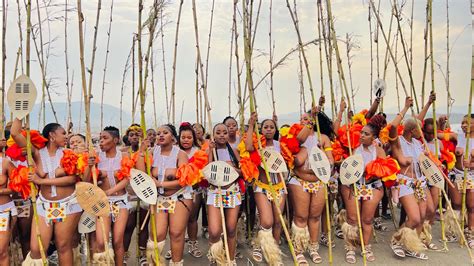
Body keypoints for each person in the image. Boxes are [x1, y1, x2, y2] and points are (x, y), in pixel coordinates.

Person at [11, 119, 82, 265]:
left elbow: (72, 180)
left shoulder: (68, 154)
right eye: (63, 133)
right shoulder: (36, 153)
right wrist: (20, 113)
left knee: (63, 245)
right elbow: (15, 133)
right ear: (52, 135)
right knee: (36, 249)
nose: (66, 137)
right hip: (45, 205)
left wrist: (42, 181)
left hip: (68, 204)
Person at [388, 97, 432, 260]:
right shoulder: (397, 142)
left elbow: (416, 121)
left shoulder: (416, 144)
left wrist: (428, 104)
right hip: (405, 183)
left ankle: (411, 246)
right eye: (418, 130)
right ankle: (397, 241)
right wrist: (406, 107)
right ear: (411, 130)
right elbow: (393, 126)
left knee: (421, 217)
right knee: (413, 217)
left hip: (419, 183)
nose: (421, 133)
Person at [290, 107, 335, 264]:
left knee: (315, 216)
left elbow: (331, 160)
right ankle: (298, 249)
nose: (303, 120)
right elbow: (297, 147)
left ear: (314, 121)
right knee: (301, 216)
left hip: (319, 181)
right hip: (299, 181)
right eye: (302, 118)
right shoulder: (295, 137)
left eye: (307, 118)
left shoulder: (322, 138)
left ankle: (313, 247)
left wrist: (325, 162)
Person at [340, 114, 387, 263]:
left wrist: (370, 173)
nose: (362, 136)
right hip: (352, 186)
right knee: (352, 219)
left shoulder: (378, 150)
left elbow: (384, 170)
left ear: (373, 137)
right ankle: (351, 247)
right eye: (361, 132)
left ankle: (366, 247)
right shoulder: (352, 146)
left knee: (367, 219)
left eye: (366, 134)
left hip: (372, 187)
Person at [86, 126, 135, 265]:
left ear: (116, 140)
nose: (101, 141)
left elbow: (126, 179)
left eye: (105, 138)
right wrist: (89, 167)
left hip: (120, 201)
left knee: (118, 241)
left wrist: (109, 192)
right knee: (101, 242)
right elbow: (86, 181)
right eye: (100, 138)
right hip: (102, 203)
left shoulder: (124, 156)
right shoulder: (96, 157)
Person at [147, 124, 191, 266]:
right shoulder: (152, 152)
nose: (160, 135)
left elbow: (183, 181)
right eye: (158, 133)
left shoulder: (181, 154)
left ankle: (176, 263)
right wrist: (142, 153)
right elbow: (143, 175)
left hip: (179, 196)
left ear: (172, 137)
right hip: (158, 198)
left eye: (165, 133)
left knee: (176, 234)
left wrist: (160, 184)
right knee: (156, 234)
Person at [245, 113, 285, 265]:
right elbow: (248, 147)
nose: (268, 130)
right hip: (261, 187)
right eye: (265, 127)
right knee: (266, 221)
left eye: (271, 127)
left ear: (275, 129)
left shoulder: (281, 146)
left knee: (277, 221)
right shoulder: (258, 145)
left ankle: (273, 253)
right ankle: (258, 243)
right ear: (260, 130)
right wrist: (250, 125)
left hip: (279, 187)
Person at [206, 123, 242, 265]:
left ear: (229, 135)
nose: (222, 135)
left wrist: (230, 169)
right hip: (215, 193)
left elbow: (242, 172)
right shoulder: (210, 151)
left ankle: (230, 260)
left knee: (231, 229)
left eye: (225, 132)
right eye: (218, 132)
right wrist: (210, 151)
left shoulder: (234, 151)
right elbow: (207, 173)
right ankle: (216, 258)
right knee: (214, 232)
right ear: (213, 135)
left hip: (232, 192)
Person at [179, 123, 205, 259]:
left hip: (195, 190)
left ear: (193, 138)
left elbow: (202, 172)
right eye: (183, 137)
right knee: (177, 221)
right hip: (177, 193)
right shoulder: (174, 151)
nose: (186, 140)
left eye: (189, 137)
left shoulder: (199, 152)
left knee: (192, 219)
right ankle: (176, 246)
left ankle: (193, 244)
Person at [450, 114, 474, 248]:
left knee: (471, 206)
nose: (464, 125)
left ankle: (470, 232)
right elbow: (437, 135)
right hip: (457, 175)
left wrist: (471, 165)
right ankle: (456, 229)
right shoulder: (457, 136)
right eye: (462, 122)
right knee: (457, 204)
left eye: (467, 123)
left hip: (472, 176)